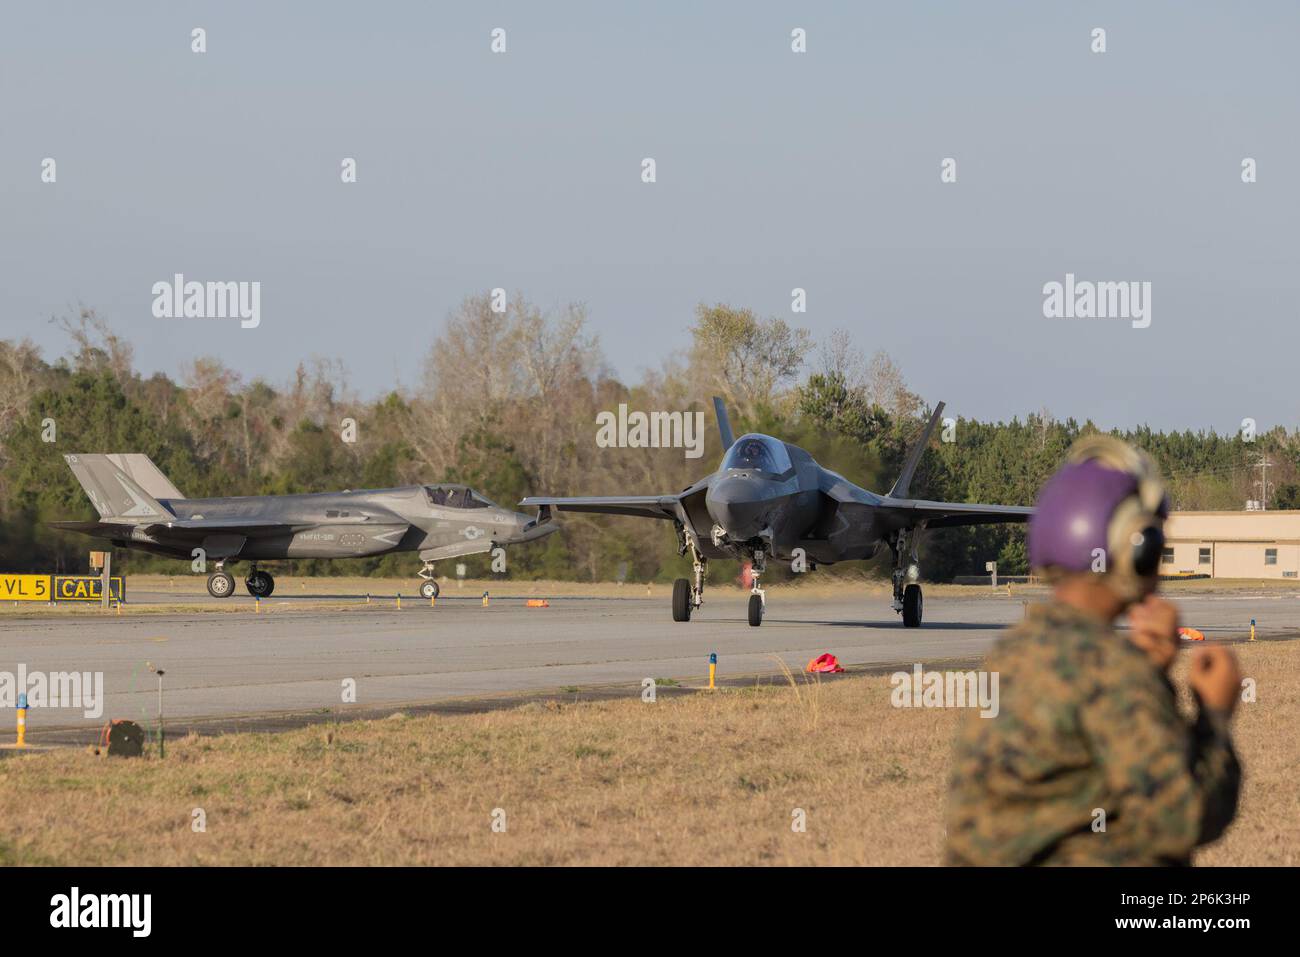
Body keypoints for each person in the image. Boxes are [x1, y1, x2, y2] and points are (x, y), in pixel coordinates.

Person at [944, 435, 1242, 866]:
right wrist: (1215, 716)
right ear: (1136, 548)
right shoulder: (1111, 671)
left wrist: (1149, 676)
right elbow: (1186, 818)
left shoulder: (1013, 651)